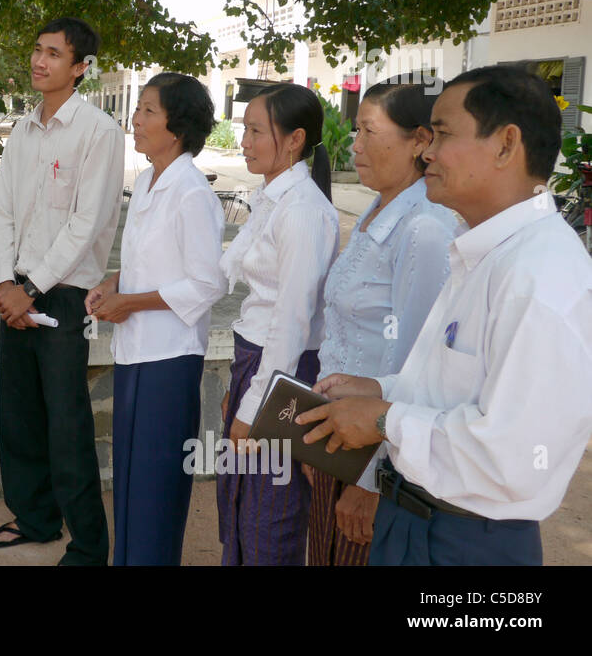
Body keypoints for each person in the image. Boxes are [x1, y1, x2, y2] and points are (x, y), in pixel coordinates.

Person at [298, 66, 592, 566]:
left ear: (505, 145)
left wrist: (385, 419)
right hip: (418, 520)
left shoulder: (540, 277)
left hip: (465, 542)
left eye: (444, 134)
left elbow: (514, 456)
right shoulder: (484, 253)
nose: (428, 151)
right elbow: (452, 394)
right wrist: (383, 391)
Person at [0, 17, 124, 566]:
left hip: (62, 297)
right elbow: (3, 214)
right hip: (15, 291)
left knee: (66, 426)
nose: (40, 61)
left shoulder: (99, 132)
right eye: (37, 50)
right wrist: (5, 284)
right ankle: (35, 519)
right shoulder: (21, 129)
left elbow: (87, 224)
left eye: (54, 54)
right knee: (17, 418)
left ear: (81, 67)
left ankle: (88, 547)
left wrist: (31, 289)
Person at [305, 83, 459, 567]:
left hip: (371, 450)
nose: (354, 143)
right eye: (355, 130)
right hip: (338, 436)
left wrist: (371, 481)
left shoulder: (424, 229)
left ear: (418, 141)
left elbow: (411, 363)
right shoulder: (376, 211)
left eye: (369, 131)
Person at [86, 73, 225, 565]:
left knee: (157, 482)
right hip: (136, 350)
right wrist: (115, 282)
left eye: (148, 111)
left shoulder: (192, 192)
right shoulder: (147, 181)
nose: (136, 120)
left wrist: (133, 303)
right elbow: (157, 260)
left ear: (178, 126)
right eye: (138, 108)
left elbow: (208, 283)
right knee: (130, 476)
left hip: (169, 357)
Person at [216, 82, 337, 566]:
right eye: (244, 129)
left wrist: (253, 406)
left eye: (256, 131)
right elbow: (238, 285)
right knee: (240, 502)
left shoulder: (304, 210)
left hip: (284, 377)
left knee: (271, 514)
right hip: (257, 365)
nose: (244, 141)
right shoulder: (272, 198)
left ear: (294, 139)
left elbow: (291, 321)